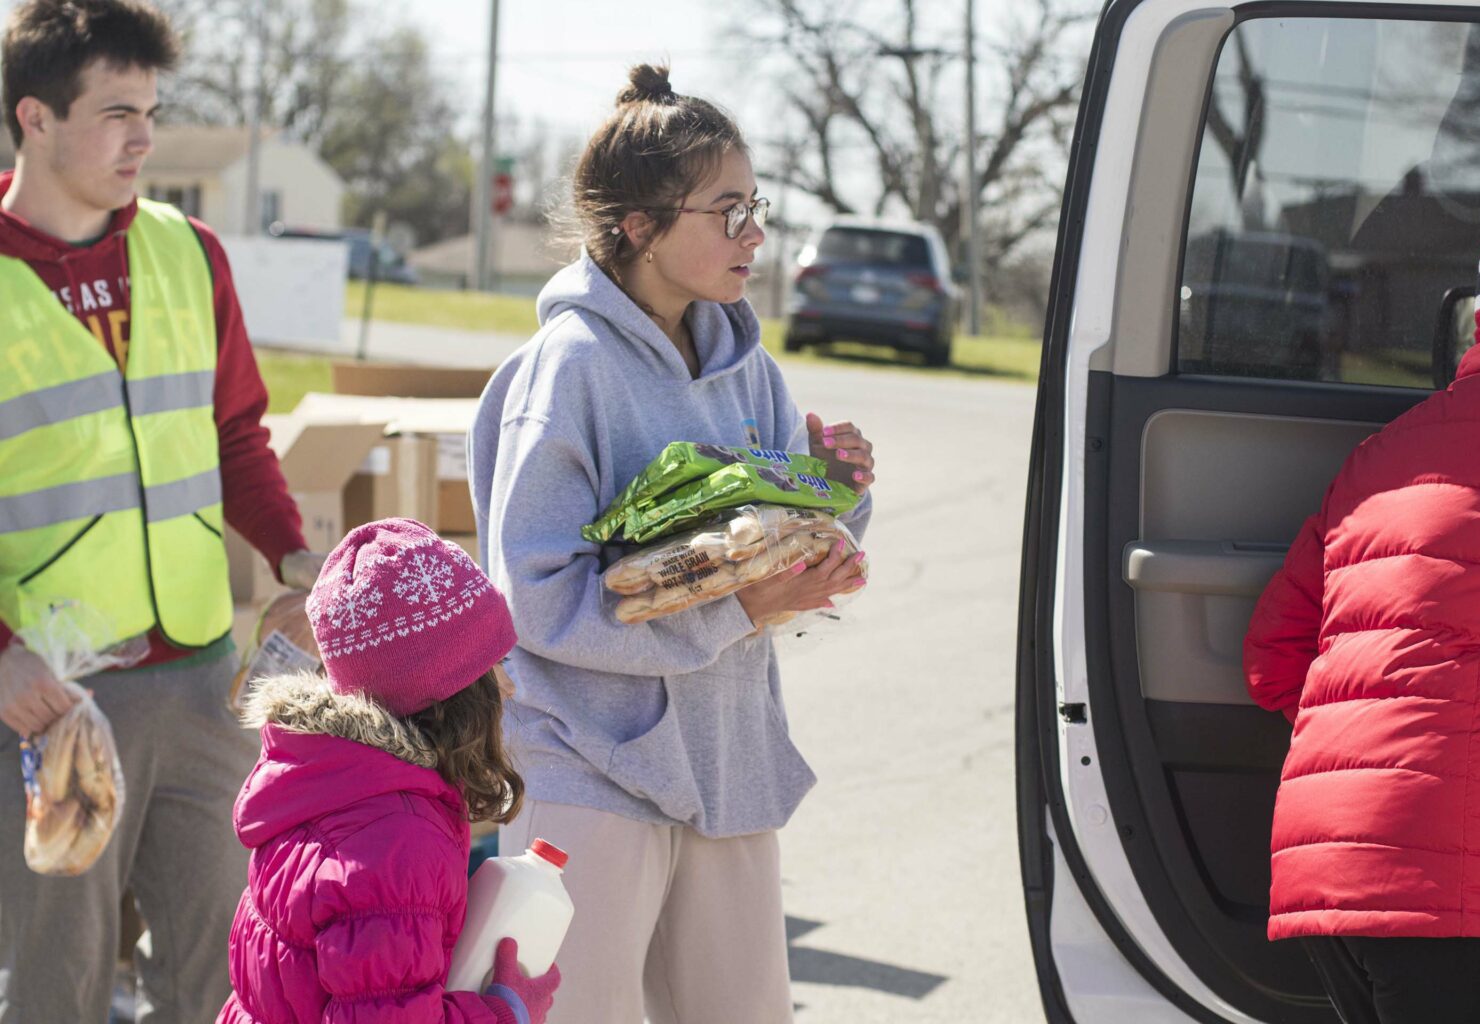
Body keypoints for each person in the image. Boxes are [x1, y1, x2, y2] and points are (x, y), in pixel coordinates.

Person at [468, 63, 875, 1023]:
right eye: (728, 212)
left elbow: (785, 544)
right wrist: (734, 611)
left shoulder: (748, 366)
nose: (755, 235)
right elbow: (535, 602)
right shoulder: (568, 372)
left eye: (756, 208)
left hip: (728, 762)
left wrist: (837, 498)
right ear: (639, 226)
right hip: (586, 766)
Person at [0, 1, 327, 1020]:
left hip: (198, 679)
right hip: (49, 696)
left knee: (228, 966)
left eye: (150, 112)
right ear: (35, 118)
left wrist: (293, 555)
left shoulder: (190, 252)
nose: (143, 138)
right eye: (115, 113)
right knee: (58, 982)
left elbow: (236, 435)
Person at [1244, 163, 1480, 1023]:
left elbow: (1272, 661)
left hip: (1329, 872)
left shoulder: (1383, 453)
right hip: (1467, 888)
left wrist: (1386, 761)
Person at [220, 518, 561, 1024]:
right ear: (450, 694)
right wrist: (504, 1010)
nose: (508, 688)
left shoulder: (326, 785)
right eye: (496, 666)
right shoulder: (398, 845)